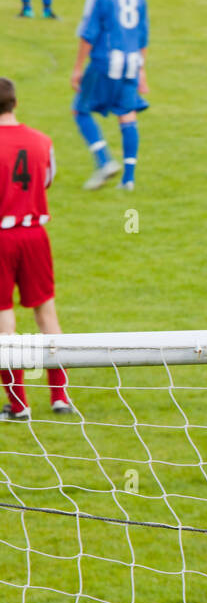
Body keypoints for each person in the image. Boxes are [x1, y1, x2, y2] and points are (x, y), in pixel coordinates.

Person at [0, 77, 72, 419]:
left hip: (2, 237)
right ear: (16, 103)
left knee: (4, 322)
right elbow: (47, 180)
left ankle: (19, 405)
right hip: (35, 235)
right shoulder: (43, 141)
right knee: (47, 313)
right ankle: (60, 396)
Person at [71, 0, 149, 192]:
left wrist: (77, 67)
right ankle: (129, 179)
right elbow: (142, 35)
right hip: (131, 62)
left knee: (80, 109)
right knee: (127, 114)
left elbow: (88, 33)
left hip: (106, 60)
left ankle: (104, 161)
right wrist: (142, 70)